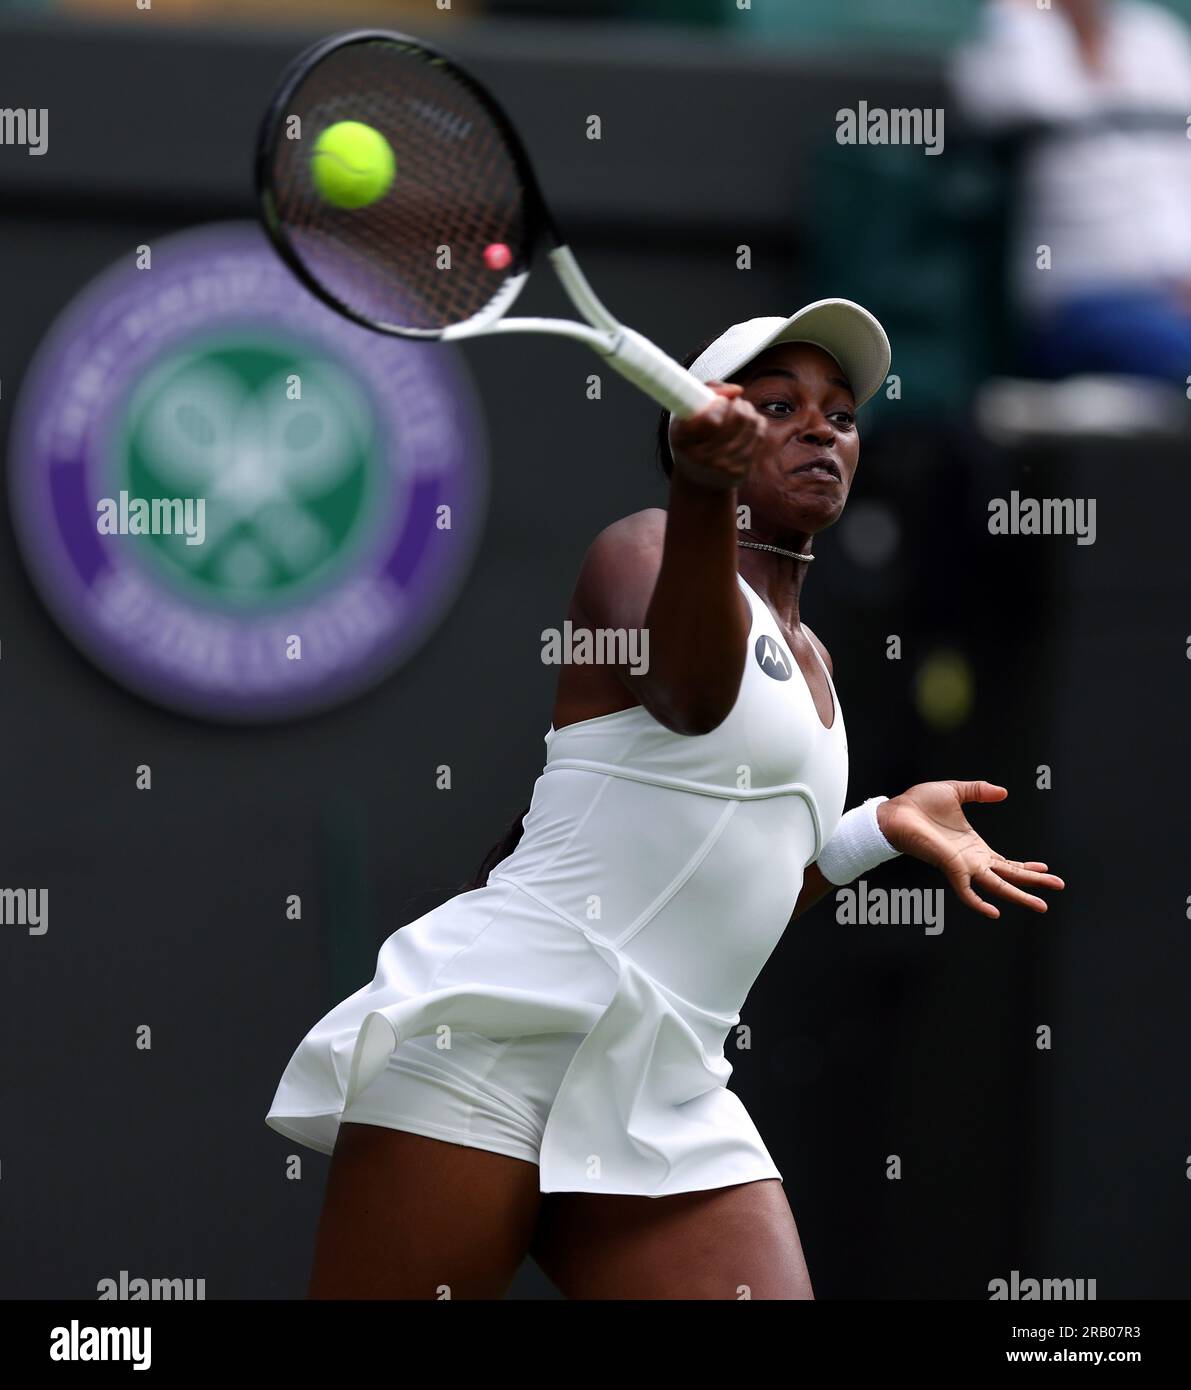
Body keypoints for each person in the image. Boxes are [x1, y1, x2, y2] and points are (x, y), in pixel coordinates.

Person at [265, 299, 1065, 1300]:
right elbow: (689, 694)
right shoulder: (639, 547)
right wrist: (700, 491)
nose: (820, 430)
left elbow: (731, 893)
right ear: (701, 427)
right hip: (492, 1042)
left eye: (840, 414)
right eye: (779, 406)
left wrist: (873, 829)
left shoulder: (816, 660)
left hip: (664, 1086)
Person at [951, 0, 1191, 383]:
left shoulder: (1153, 36)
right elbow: (1028, 97)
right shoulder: (1012, 38)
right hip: (1074, 307)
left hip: (1177, 299)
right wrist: (1022, 15)